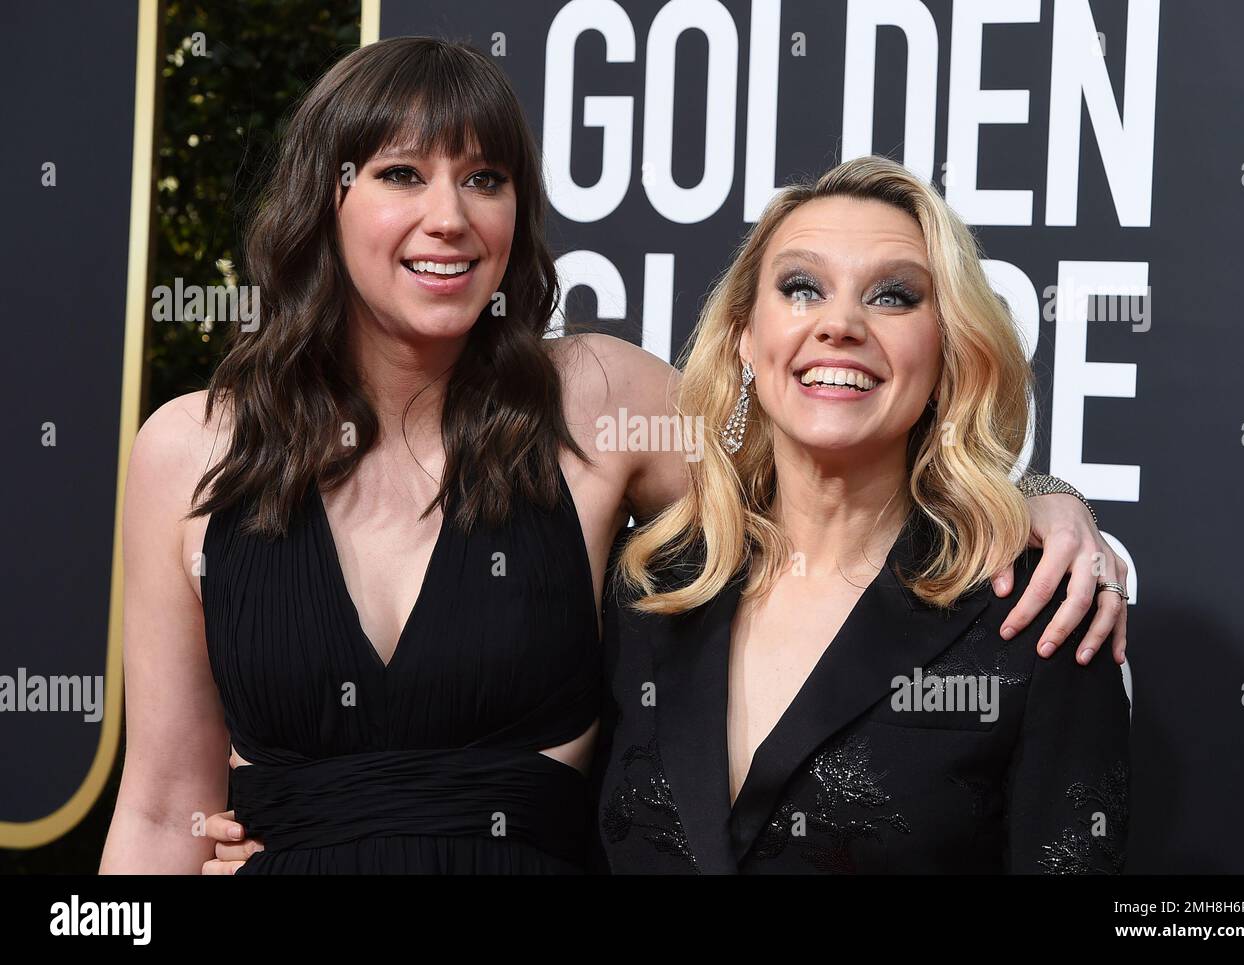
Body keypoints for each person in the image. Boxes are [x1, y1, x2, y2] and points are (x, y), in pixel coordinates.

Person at [99, 38, 1123, 875]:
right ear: (325, 200)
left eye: (485, 178)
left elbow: (818, 450)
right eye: (402, 174)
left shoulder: (600, 396)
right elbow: (156, 813)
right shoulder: (190, 448)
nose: (448, 216)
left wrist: (1038, 497)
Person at [596, 156, 1130, 874]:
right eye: (801, 287)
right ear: (744, 339)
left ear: (948, 351)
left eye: (893, 296)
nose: (840, 323)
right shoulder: (645, 588)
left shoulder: (1031, 610)